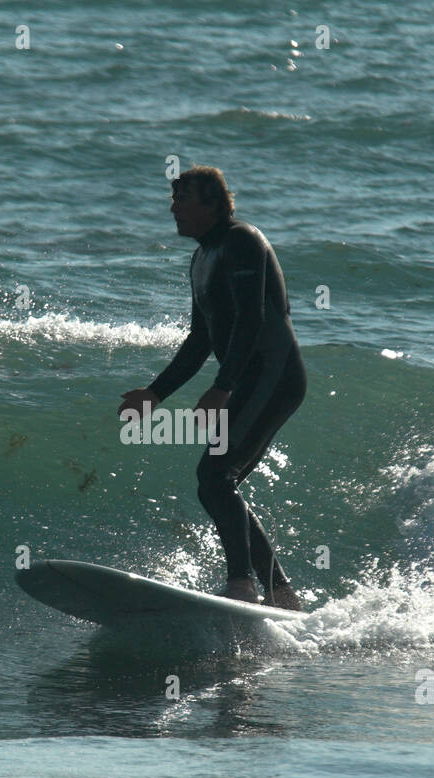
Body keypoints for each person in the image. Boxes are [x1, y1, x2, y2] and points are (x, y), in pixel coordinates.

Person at [118, 166, 306, 610]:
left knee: (215, 477)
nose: (173, 208)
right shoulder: (202, 258)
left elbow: (250, 320)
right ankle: (281, 593)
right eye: (173, 199)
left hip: (275, 375)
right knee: (217, 481)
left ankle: (244, 584)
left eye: (182, 199)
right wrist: (155, 394)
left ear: (212, 202)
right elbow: (200, 338)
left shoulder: (241, 241)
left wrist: (222, 388)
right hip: (253, 377)